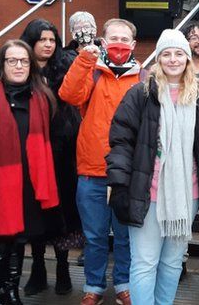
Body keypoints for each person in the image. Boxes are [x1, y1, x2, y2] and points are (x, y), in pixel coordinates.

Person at [106, 29, 199, 305]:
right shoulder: (141, 94)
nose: (173, 60)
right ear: (158, 59)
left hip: (186, 194)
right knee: (145, 261)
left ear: (187, 59)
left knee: (173, 262)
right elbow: (121, 142)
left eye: (178, 54)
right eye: (166, 54)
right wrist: (119, 183)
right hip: (146, 193)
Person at [0, 39, 62, 305]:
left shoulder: (42, 97)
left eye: (24, 61)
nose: (19, 66)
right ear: (2, 64)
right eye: (12, 61)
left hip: (29, 185)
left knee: (19, 241)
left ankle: (12, 291)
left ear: (31, 65)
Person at [59, 18, 141, 305]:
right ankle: (93, 286)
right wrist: (84, 59)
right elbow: (68, 94)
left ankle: (123, 284)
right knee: (93, 237)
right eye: (113, 37)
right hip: (92, 170)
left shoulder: (143, 79)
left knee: (124, 237)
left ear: (133, 44)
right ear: (104, 42)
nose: (119, 43)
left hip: (127, 174)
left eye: (124, 38)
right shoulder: (92, 72)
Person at [18, 19, 80, 297]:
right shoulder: (19, 70)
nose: (47, 44)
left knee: (62, 211)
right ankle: (38, 268)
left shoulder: (63, 68)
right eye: (41, 39)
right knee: (34, 213)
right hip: (30, 152)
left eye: (52, 39)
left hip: (63, 153)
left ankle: (63, 268)